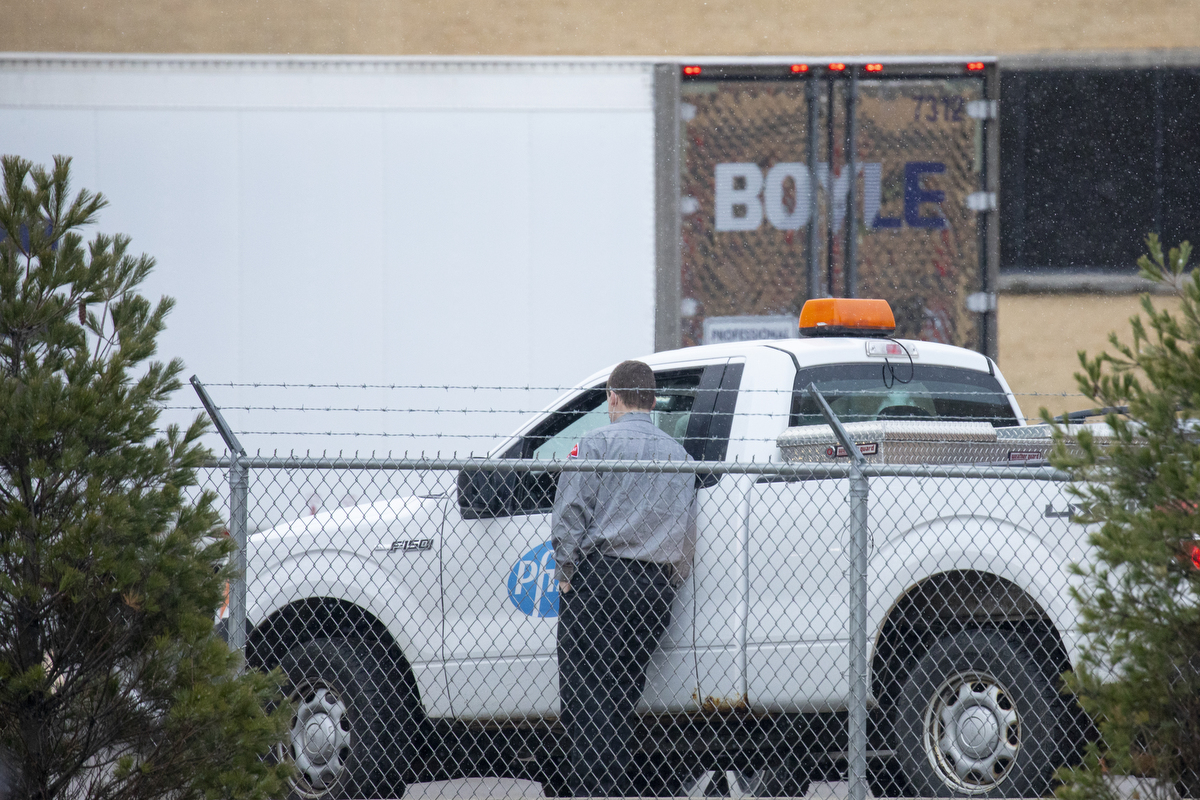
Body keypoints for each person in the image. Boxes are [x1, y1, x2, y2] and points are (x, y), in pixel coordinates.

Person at [551, 359, 698, 797]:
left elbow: (569, 514)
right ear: (653, 401)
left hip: (601, 580)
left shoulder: (594, 444)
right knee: (619, 698)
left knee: (586, 699)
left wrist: (566, 570)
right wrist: (671, 577)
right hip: (655, 590)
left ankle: (599, 792)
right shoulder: (681, 456)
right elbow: (687, 535)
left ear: (612, 397)